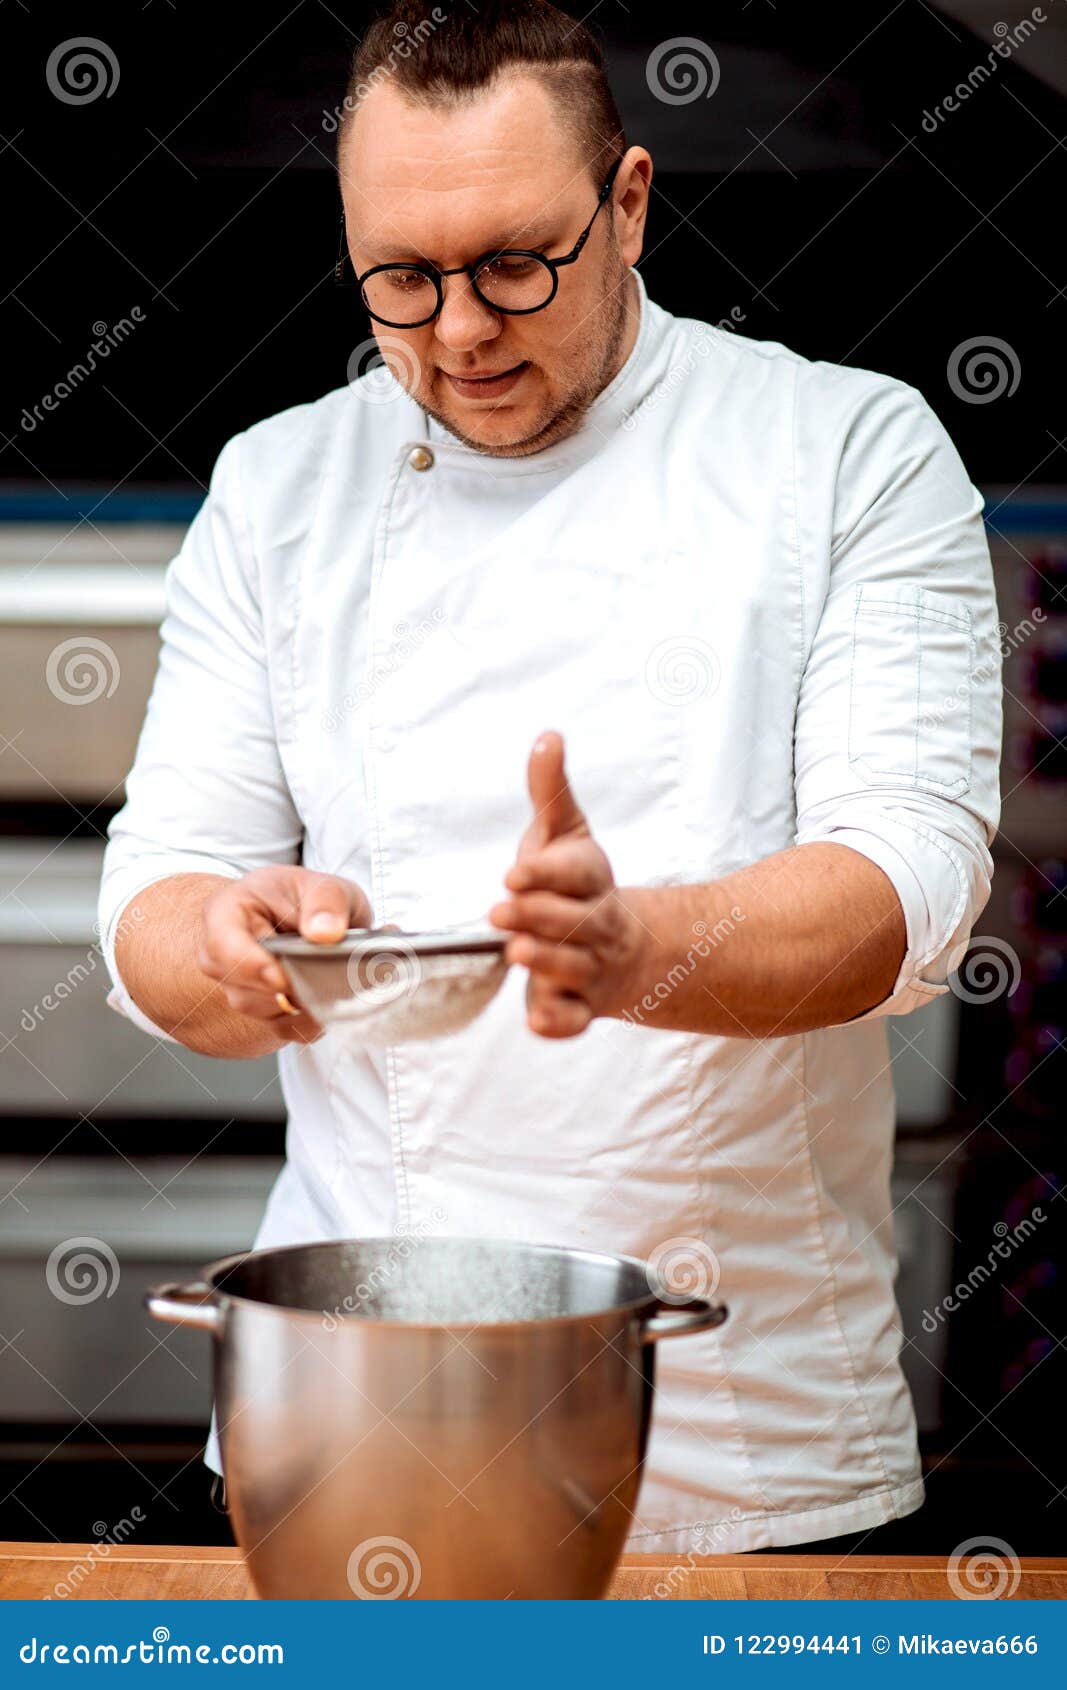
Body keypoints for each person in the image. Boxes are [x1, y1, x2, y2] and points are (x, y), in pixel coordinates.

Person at [98, 0, 1001, 1553]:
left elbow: (907, 882)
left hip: (733, 1426)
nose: (458, 330)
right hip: (343, 1410)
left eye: (519, 261)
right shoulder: (280, 486)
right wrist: (236, 940)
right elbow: (154, 902)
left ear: (630, 203)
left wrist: (636, 945)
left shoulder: (852, 451)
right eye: (402, 279)